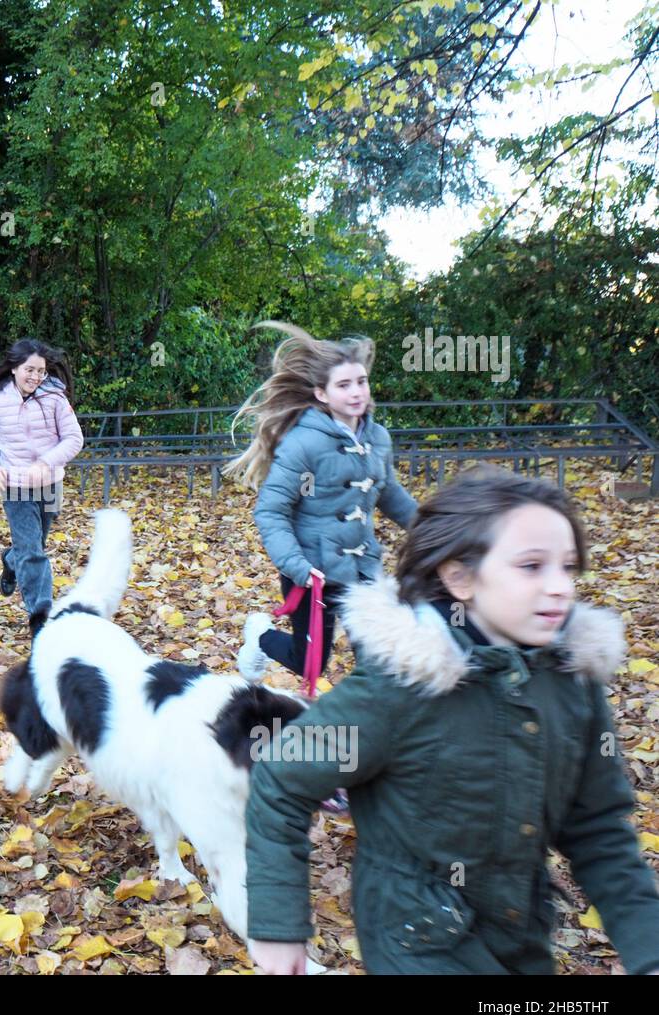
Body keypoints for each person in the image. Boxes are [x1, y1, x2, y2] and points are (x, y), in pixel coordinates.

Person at [245, 467, 659, 975]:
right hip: (418, 943)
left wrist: (648, 949)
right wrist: (277, 925)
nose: (560, 587)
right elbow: (282, 779)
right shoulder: (399, 689)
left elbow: (598, 827)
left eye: (568, 567)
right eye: (531, 566)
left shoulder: (571, 679)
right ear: (460, 577)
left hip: (521, 936)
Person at [229, 321, 417, 684]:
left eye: (361, 381)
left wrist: (433, 528)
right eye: (344, 385)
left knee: (377, 657)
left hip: (363, 568)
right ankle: (260, 636)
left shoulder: (377, 438)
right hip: (312, 572)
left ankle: (375, 729)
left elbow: (389, 492)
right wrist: (298, 566)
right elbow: (271, 511)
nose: (356, 392)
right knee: (310, 664)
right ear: (321, 394)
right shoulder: (303, 445)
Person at [0, 338, 83, 635]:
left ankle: (11, 560)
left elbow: (74, 439)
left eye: (41, 371)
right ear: (14, 368)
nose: (35, 377)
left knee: (32, 547)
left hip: (51, 485)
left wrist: (45, 463)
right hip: (14, 486)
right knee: (34, 554)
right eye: (29, 370)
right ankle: (42, 620)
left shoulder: (55, 398)